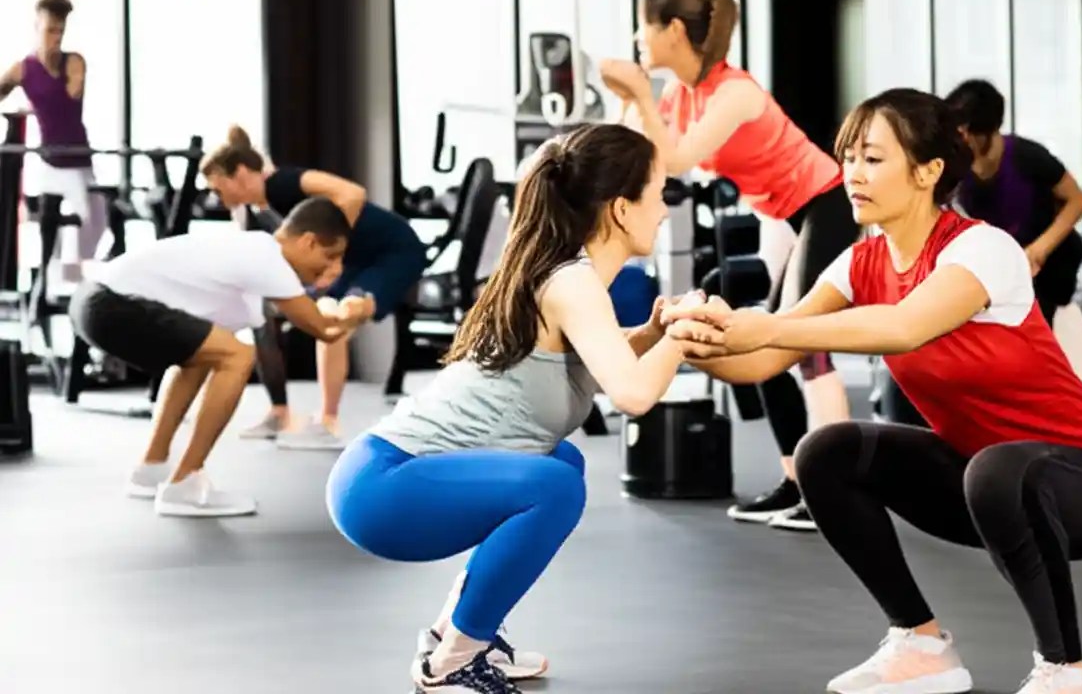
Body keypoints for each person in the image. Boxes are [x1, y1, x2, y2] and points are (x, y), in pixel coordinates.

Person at [665, 88, 1082, 694]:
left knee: (996, 471)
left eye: (872, 159)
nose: (853, 175)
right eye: (848, 158)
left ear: (928, 171)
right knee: (825, 452)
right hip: (981, 484)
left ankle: (1065, 673)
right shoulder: (858, 263)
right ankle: (920, 645)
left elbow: (904, 325)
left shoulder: (982, 248)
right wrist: (695, 340)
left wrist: (770, 323)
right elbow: (764, 358)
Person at [326, 124, 712, 694]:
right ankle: (452, 664)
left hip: (378, 478)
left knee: (562, 464)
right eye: (659, 192)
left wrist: (655, 333)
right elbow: (632, 395)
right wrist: (679, 337)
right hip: (386, 488)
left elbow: (601, 362)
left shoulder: (565, 276)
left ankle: (456, 639)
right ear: (622, 209)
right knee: (554, 486)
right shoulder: (573, 282)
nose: (664, 207)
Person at [599, 0, 860, 531]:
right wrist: (628, 98)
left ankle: (831, 493)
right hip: (780, 216)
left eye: (644, 25)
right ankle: (796, 479)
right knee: (760, 334)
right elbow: (636, 154)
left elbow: (677, 159)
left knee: (800, 344)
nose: (636, 36)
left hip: (822, 205)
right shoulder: (681, 96)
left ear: (672, 30)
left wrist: (642, 96)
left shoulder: (733, 92)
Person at [68, 198, 357, 517]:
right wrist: (356, 311)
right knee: (237, 356)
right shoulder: (267, 258)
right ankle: (185, 486)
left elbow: (289, 317)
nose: (334, 268)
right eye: (330, 256)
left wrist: (332, 309)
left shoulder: (252, 253)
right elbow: (320, 328)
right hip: (111, 305)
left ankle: (152, 468)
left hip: (92, 301)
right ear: (308, 241)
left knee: (203, 357)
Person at [201, 126, 428, 449]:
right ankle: (281, 412)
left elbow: (353, 194)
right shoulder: (258, 212)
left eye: (218, 188)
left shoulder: (282, 183)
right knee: (267, 315)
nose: (218, 198)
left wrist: (333, 253)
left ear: (239, 173)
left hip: (393, 251)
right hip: (358, 261)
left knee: (335, 312)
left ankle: (327, 423)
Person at [946, 79, 1082, 327]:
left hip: (1050, 262)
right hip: (1007, 267)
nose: (960, 138)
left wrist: (1038, 250)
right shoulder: (957, 169)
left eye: (963, 131)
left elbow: (1077, 200)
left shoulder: (1027, 156)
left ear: (980, 131)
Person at [0, 0, 108, 279]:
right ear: (36, 27)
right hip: (49, 163)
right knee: (47, 231)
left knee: (96, 225)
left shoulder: (74, 62)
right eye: (50, 30)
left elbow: (69, 96)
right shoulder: (22, 68)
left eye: (61, 31)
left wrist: (49, 76)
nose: (56, 37)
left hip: (78, 163)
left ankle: (71, 276)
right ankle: (44, 290)